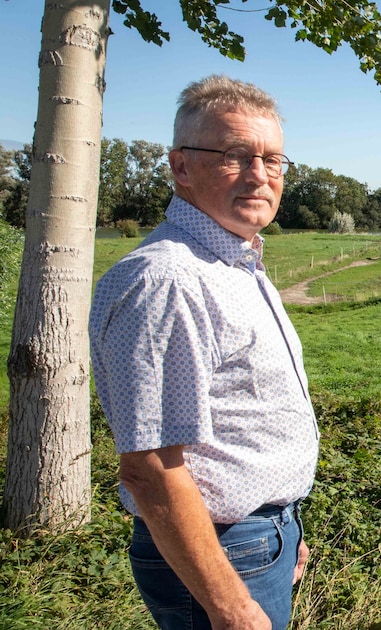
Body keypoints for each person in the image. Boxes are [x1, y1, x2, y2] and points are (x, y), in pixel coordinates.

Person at [90, 75, 319, 630]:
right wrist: (231, 605)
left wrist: (284, 527)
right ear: (181, 167)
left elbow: (240, 426)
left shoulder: (232, 263)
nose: (260, 176)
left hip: (255, 540)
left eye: (273, 159)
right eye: (235, 156)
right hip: (220, 553)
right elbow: (149, 469)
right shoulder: (169, 280)